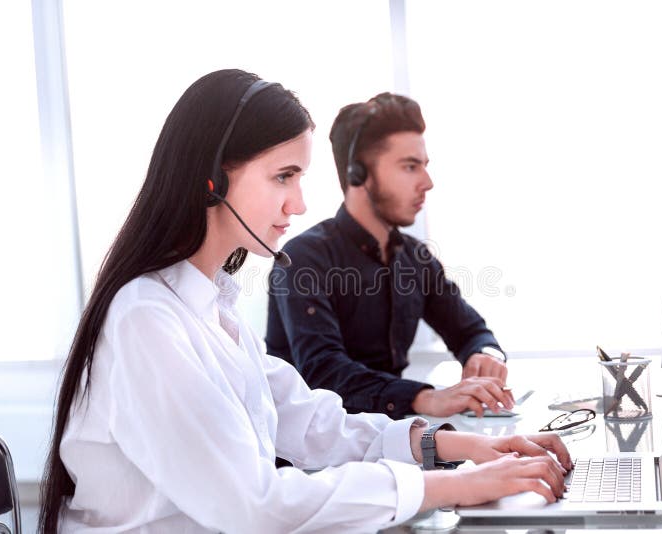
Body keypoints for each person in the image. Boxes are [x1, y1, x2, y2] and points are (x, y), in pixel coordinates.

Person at [38, 69, 571, 533]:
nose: (299, 202)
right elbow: (255, 505)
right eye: (283, 177)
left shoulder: (213, 310)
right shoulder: (146, 319)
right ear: (213, 177)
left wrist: (460, 447)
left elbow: (315, 423)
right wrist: (450, 487)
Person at [266, 92, 514, 420]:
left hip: (391, 442)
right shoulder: (302, 258)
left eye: (424, 167)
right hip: (314, 459)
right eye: (410, 167)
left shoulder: (416, 258)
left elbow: (470, 331)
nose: (427, 182)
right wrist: (425, 398)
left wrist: (485, 354)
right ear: (358, 175)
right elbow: (324, 373)